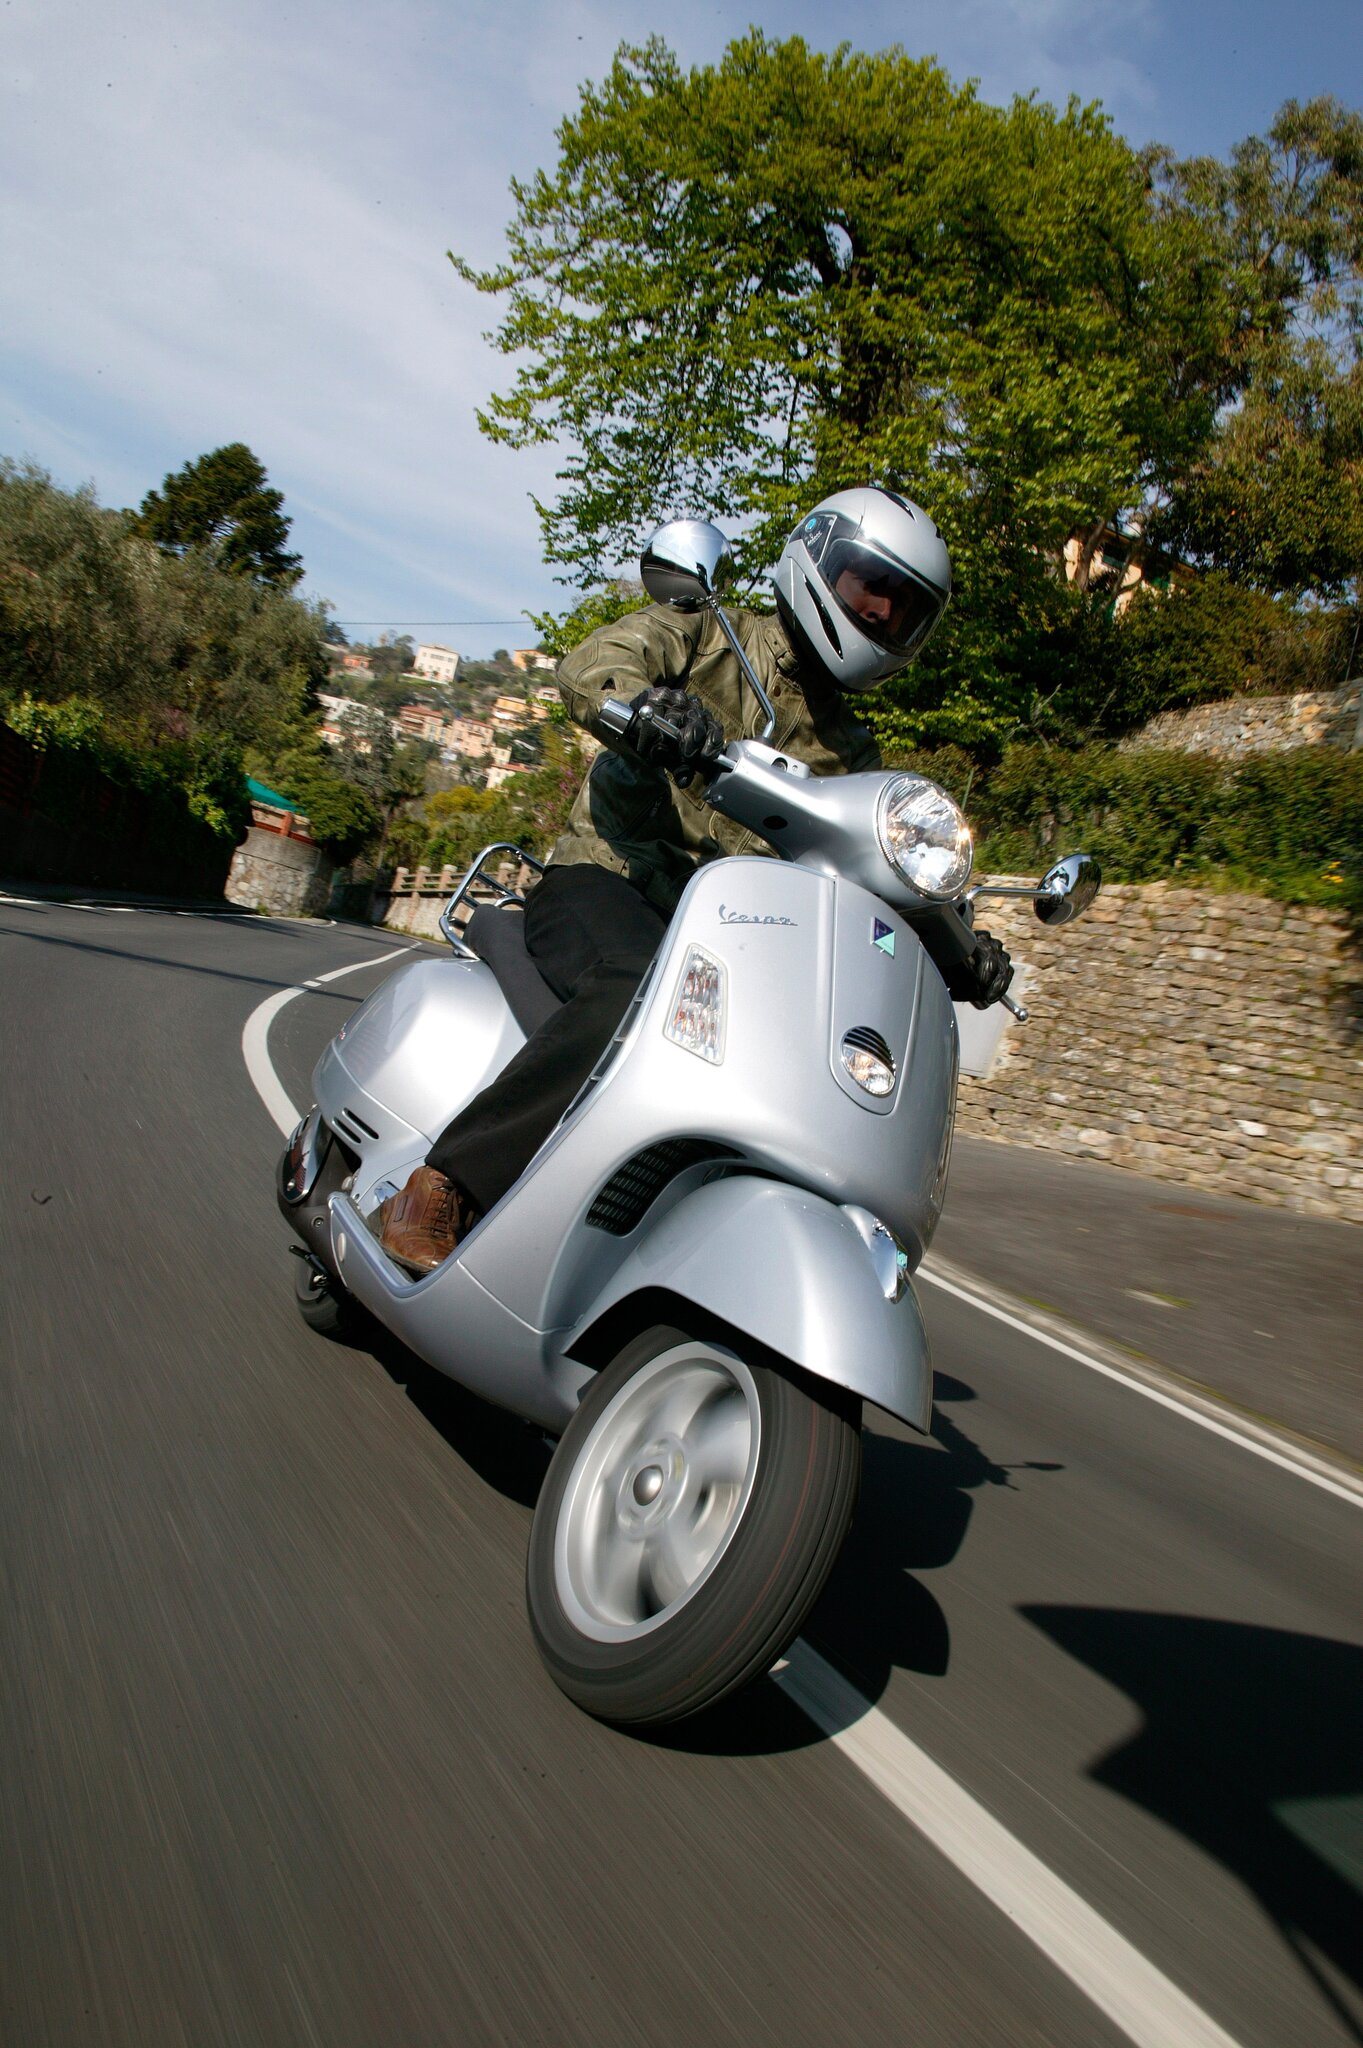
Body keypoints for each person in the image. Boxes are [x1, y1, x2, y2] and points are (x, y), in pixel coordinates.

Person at [378, 487, 1013, 1271]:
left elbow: (875, 869)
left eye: (903, 607)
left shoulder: (854, 756)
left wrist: (956, 946)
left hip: (727, 941)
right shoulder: (707, 634)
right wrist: (645, 708)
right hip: (607, 880)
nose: (880, 612)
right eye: (869, 586)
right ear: (817, 563)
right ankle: (442, 1184)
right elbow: (595, 665)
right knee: (638, 991)